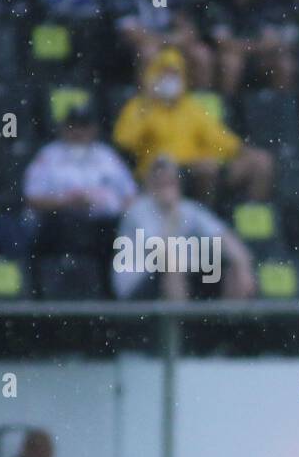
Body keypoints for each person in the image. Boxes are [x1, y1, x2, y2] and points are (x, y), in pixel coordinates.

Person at [113, 48, 275, 203]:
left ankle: (252, 219)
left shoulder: (191, 107)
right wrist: (147, 107)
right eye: (164, 74)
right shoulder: (139, 106)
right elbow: (124, 141)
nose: (170, 80)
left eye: (174, 74)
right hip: (158, 170)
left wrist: (242, 150)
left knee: (261, 161)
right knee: (207, 169)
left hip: (194, 167)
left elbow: (218, 138)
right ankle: (202, 219)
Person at [114, 156, 257, 300]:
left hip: (176, 276)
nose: (166, 187)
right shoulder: (138, 210)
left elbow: (225, 237)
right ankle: (178, 321)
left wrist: (241, 265)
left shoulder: (188, 208)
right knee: (173, 264)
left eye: (170, 181)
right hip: (135, 286)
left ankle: (232, 320)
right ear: (150, 184)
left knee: (231, 266)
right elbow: (161, 252)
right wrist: (172, 214)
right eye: (160, 182)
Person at [23, 104, 137, 264]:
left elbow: (130, 195)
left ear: (93, 129)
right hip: (61, 223)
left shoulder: (107, 155)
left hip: (105, 226)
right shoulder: (49, 155)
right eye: (72, 126)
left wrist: (109, 205)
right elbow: (31, 198)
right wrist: (65, 202)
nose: (78, 132)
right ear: (63, 128)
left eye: (83, 126)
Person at [204, 0, 298, 97]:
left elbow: (284, 39)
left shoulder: (270, 3)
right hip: (231, 57)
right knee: (232, 62)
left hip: (261, 59)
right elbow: (222, 42)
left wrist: (259, 46)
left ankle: (279, 109)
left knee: (285, 64)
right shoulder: (221, 0)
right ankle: (229, 108)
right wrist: (257, 46)